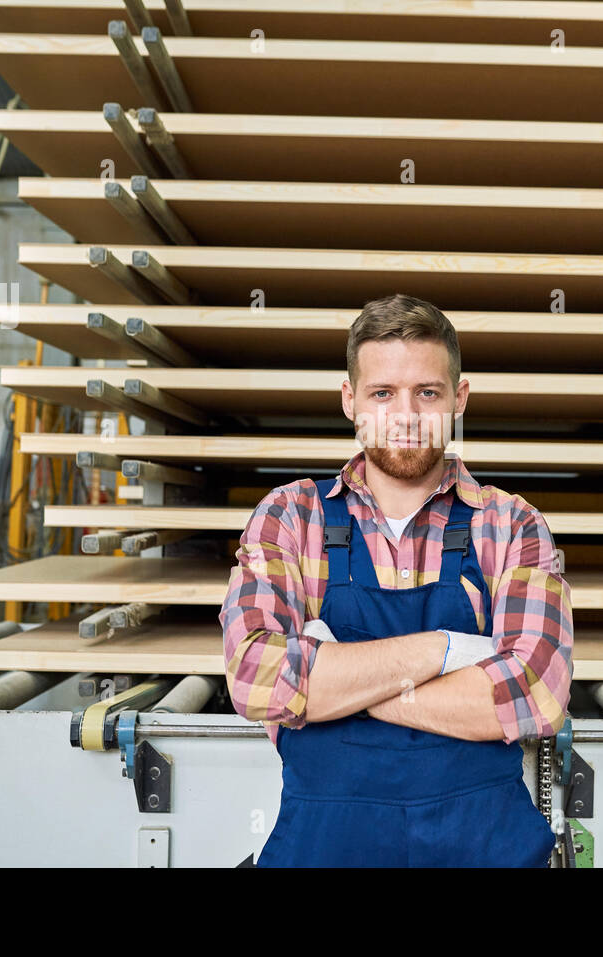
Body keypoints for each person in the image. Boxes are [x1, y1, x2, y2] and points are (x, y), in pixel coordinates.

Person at [219, 293, 573, 867]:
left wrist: (336, 683)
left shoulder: (512, 525)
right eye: (382, 393)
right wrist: (448, 650)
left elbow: (534, 696)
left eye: (427, 393)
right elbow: (256, 680)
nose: (405, 416)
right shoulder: (291, 517)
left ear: (459, 398)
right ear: (349, 399)